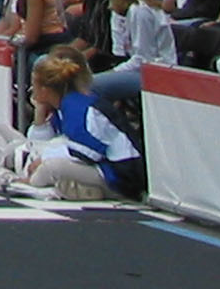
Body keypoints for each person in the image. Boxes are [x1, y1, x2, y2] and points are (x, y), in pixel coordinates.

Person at [10, 50, 144, 200]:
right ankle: (65, 186)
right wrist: (40, 110)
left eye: (34, 85)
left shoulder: (80, 108)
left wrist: (44, 158)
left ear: (45, 90)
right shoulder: (62, 107)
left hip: (117, 175)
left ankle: (28, 183)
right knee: (24, 147)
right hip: (97, 165)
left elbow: (87, 153)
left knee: (51, 167)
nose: (31, 90)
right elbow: (38, 142)